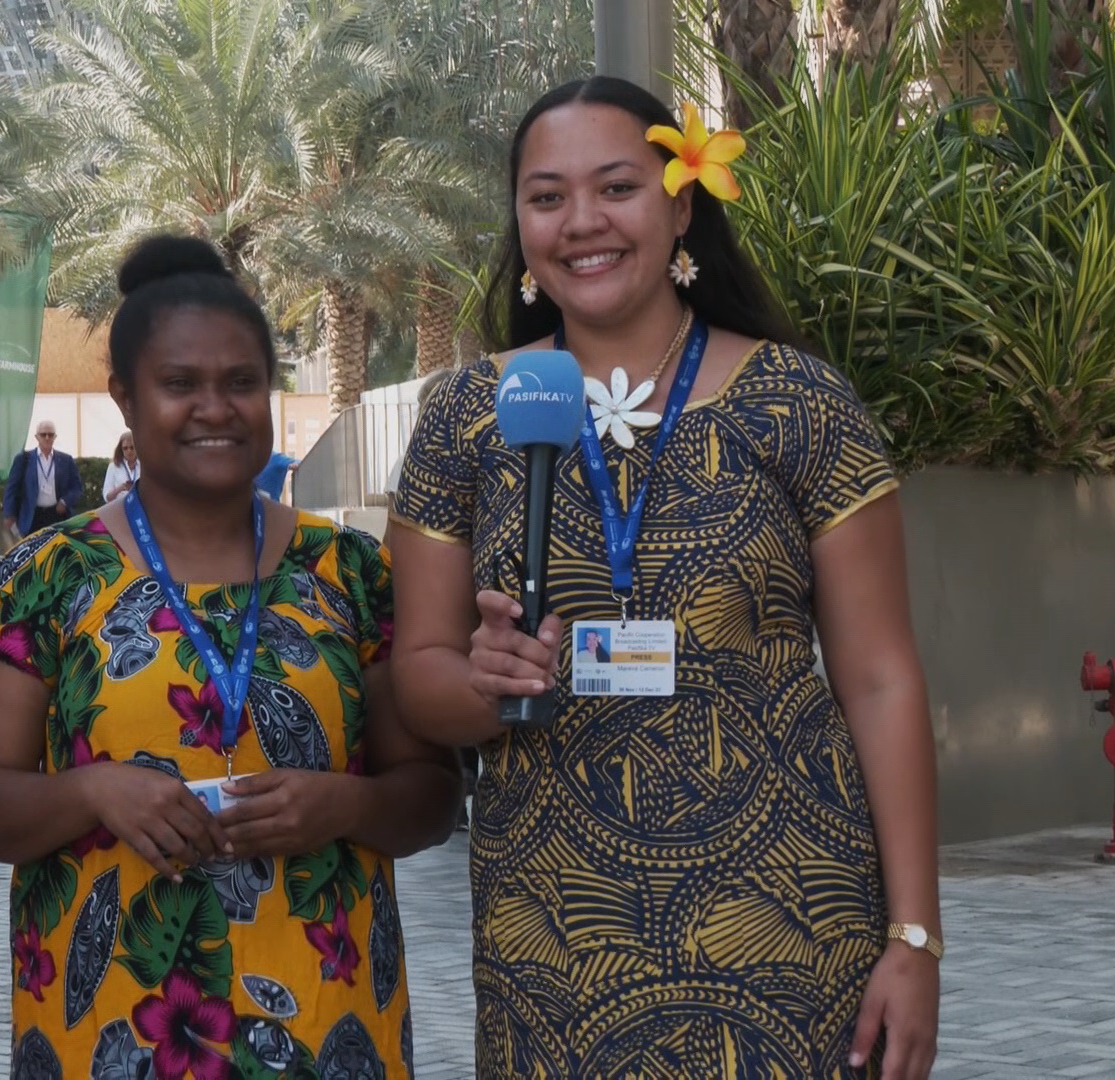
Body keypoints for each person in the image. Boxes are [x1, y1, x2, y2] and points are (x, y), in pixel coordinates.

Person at [388, 78, 941, 1079]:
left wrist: (913, 939)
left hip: (789, 928)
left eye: (617, 188)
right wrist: (486, 682)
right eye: (547, 197)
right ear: (519, 225)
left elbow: (882, 679)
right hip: (554, 940)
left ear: (680, 205)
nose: (582, 223)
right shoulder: (467, 415)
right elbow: (416, 673)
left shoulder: (800, 405)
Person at [0, 235, 460, 1074]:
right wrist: (93, 791)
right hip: (111, 1024)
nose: (214, 408)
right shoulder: (46, 577)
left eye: (241, 384)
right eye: (179, 385)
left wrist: (343, 808)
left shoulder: (352, 572)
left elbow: (431, 797)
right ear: (125, 398)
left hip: (324, 1019)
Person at [2, 419, 83, 537]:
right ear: (36, 437)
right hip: (32, 516)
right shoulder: (24, 459)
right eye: (43, 434)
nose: (47, 438)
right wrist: (9, 514)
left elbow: (77, 487)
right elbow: (12, 488)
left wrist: (65, 501)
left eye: (50, 435)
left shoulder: (66, 460)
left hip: (56, 515)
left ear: (55, 437)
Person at [101, 429, 140, 501]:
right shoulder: (113, 467)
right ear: (121, 449)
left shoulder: (143, 466)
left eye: (132, 448)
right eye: (125, 448)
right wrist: (120, 488)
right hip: (119, 507)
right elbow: (107, 497)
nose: (129, 451)